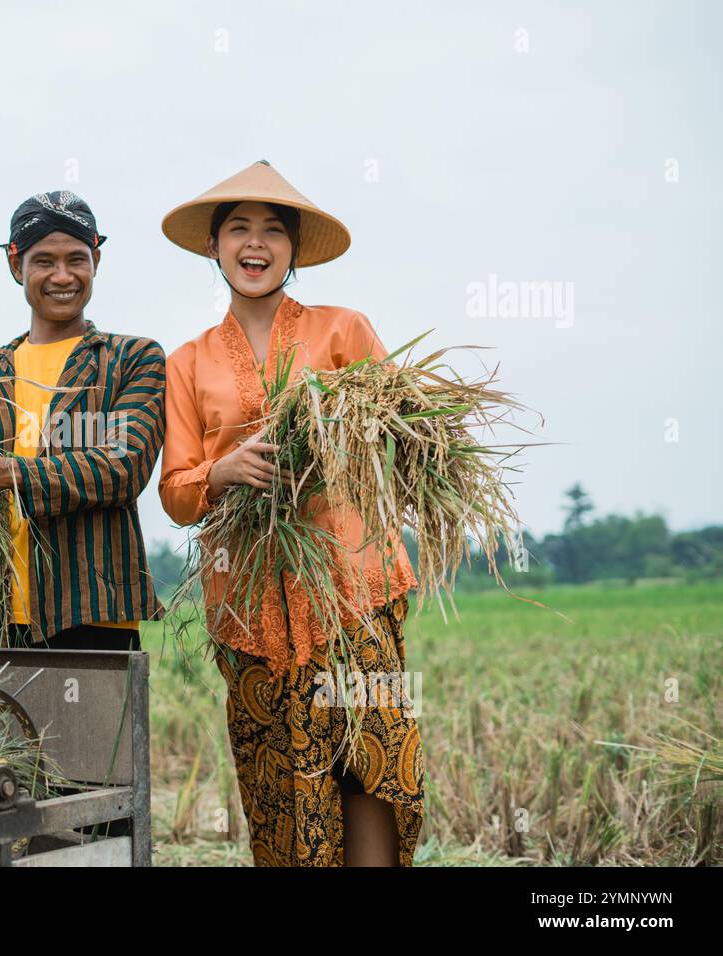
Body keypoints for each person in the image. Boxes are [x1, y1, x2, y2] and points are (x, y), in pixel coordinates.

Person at [158, 160, 425, 866]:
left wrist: (333, 445)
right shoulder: (185, 364)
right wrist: (223, 469)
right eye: (238, 229)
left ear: (294, 249)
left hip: (352, 590)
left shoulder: (343, 331)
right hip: (247, 606)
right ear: (214, 247)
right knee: (279, 782)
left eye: (272, 230)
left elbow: (399, 437)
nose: (255, 243)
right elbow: (177, 494)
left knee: (368, 761)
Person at [0, 190, 165, 649]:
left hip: (92, 618)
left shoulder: (132, 359)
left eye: (76, 259)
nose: (62, 276)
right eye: (44, 261)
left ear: (96, 260)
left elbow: (122, 468)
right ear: (15, 265)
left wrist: (8, 473)